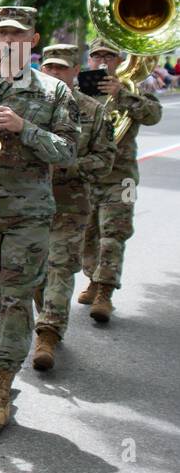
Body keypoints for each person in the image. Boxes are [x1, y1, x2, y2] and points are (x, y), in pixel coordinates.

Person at [0, 5, 78, 430]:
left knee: (15, 294)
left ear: (33, 41)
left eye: (17, 35)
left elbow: (68, 153)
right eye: (1, 35)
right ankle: (1, 357)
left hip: (28, 213)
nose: (8, 42)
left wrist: (24, 127)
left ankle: (1, 381)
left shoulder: (54, 92)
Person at [33, 44, 115, 369]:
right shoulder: (27, 107)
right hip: (29, 202)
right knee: (35, 273)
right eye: (49, 68)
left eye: (61, 69)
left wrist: (68, 166)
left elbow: (106, 160)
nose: (54, 74)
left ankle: (48, 334)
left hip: (71, 204)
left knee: (60, 267)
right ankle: (48, 316)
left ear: (75, 72)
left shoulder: (94, 111)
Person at [78, 38, 163, 322]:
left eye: (109, 56)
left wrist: (122, 95)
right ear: (89, 60)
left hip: (121, 177)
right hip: (88, 176)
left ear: (120, 59)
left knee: (114, 233)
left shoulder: (133, 88)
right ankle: (93, 278)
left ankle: (105, 292)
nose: (102, 61)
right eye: (96, 56)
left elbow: (153, 115)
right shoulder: (80, 89)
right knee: (87, 236)